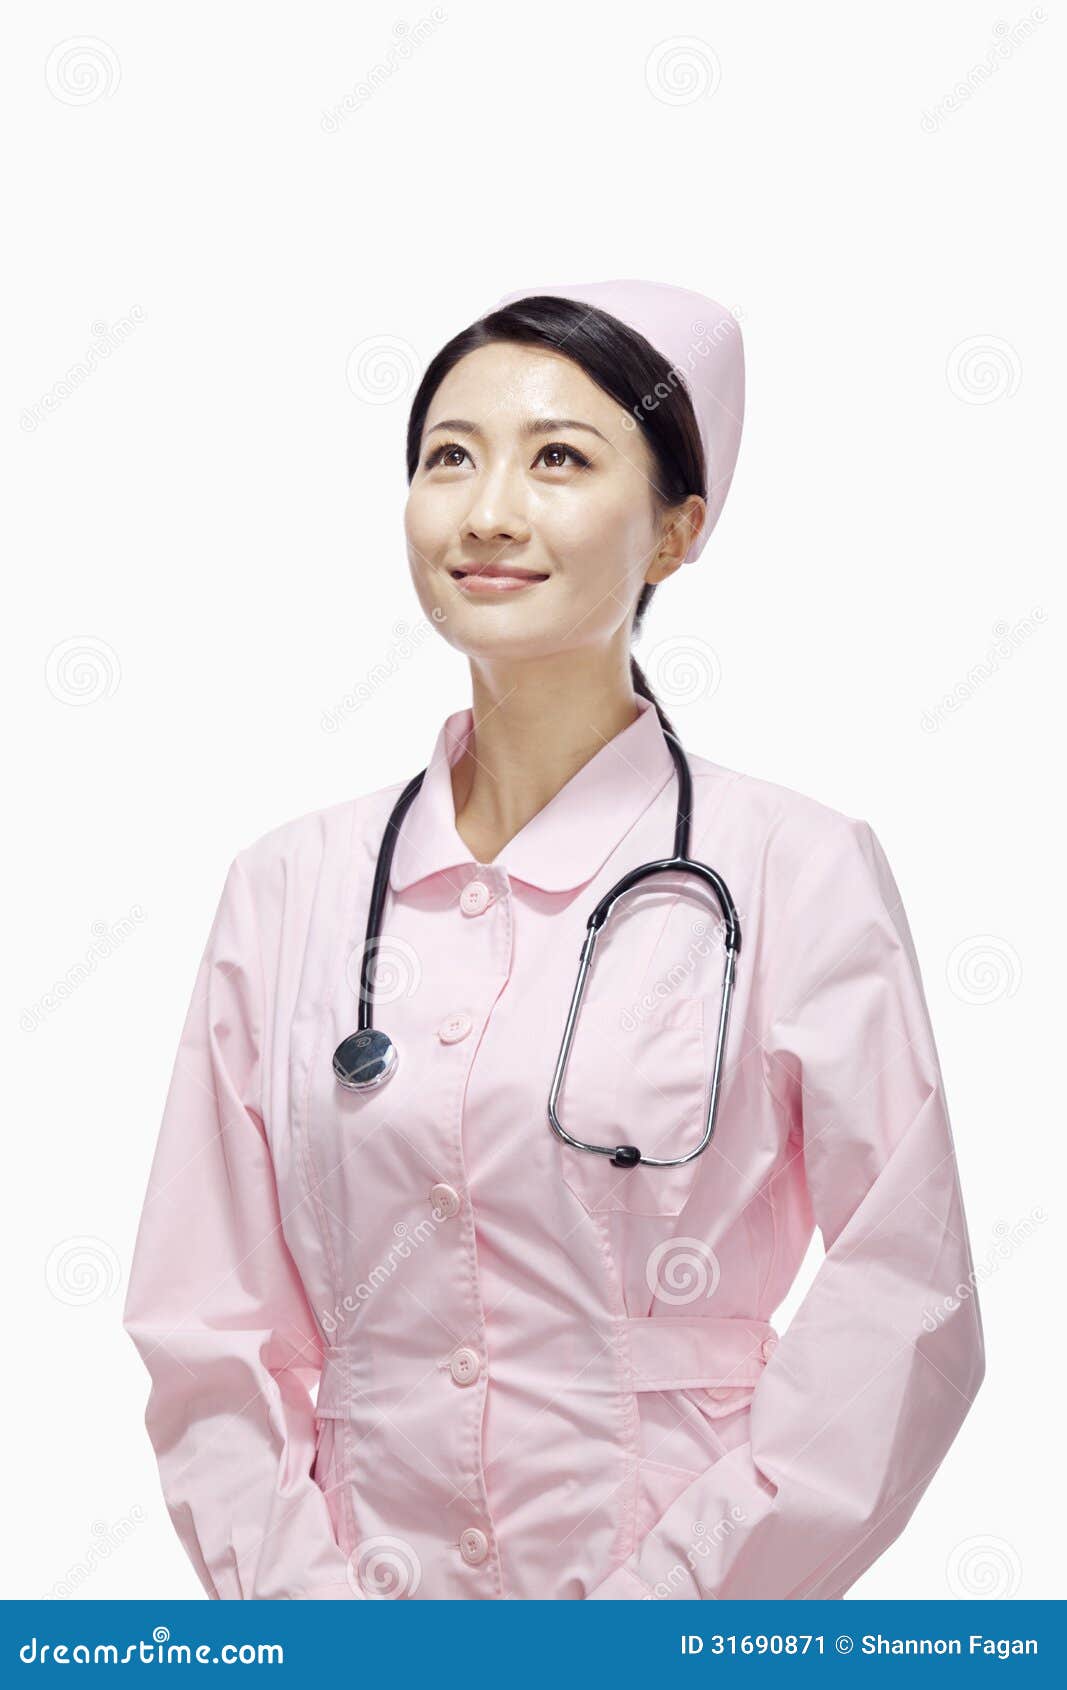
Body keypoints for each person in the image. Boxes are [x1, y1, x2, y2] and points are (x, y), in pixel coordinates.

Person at [122, 278, 985, 1601]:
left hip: (679, 1621)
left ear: (673, 534)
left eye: (560, 459)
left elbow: (903, 1296)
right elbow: (208, 1324)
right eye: (448, 456)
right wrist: (318, 1628)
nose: (486, 510)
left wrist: (662, 1621)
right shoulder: (290, 887)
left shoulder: (796, 869)